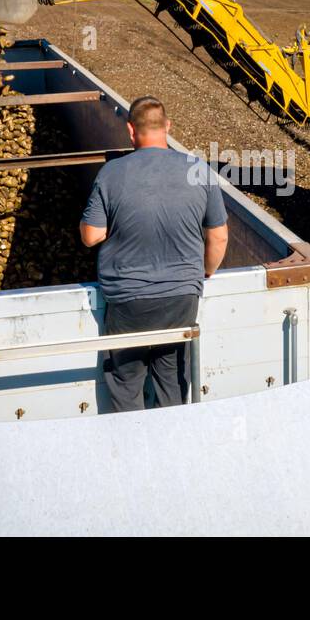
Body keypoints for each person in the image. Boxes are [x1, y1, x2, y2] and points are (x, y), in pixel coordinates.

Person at [79, 96, 229, 412]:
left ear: (131, 130)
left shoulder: (111, 173)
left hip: (128, 302)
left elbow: (91, 236)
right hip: (180, 300)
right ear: (168, 127)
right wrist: (205, 272)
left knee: (126, 385)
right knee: (172, 384)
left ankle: (132, 451)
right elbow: (218, 236)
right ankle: (170, 452)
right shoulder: (198, 169)